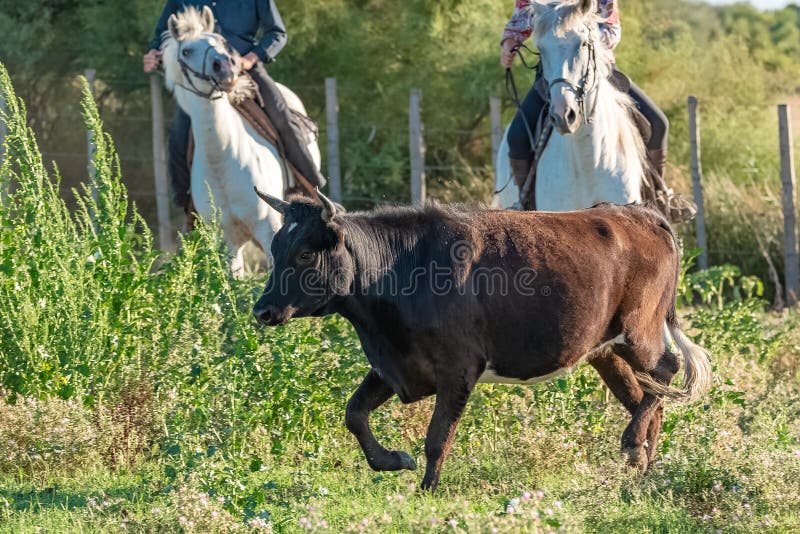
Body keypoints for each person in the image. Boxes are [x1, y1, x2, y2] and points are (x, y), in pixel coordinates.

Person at [143, 0, 325, 212]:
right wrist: (153, 53)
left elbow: (277, 34)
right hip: (203, 78)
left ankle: (316, 192)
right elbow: (161, 35)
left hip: (246, 69)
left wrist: (251, 58)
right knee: (178, 134)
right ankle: (188, 207)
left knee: (281, 117)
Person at [500, 0, 669, 209]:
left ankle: (659, 199)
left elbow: (611, 27)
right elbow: (521, 17)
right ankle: (524, 204)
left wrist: (581, 36)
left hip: (597, 66)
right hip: (552, 72)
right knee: (516, 136)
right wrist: (509, 43)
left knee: (658, 124)